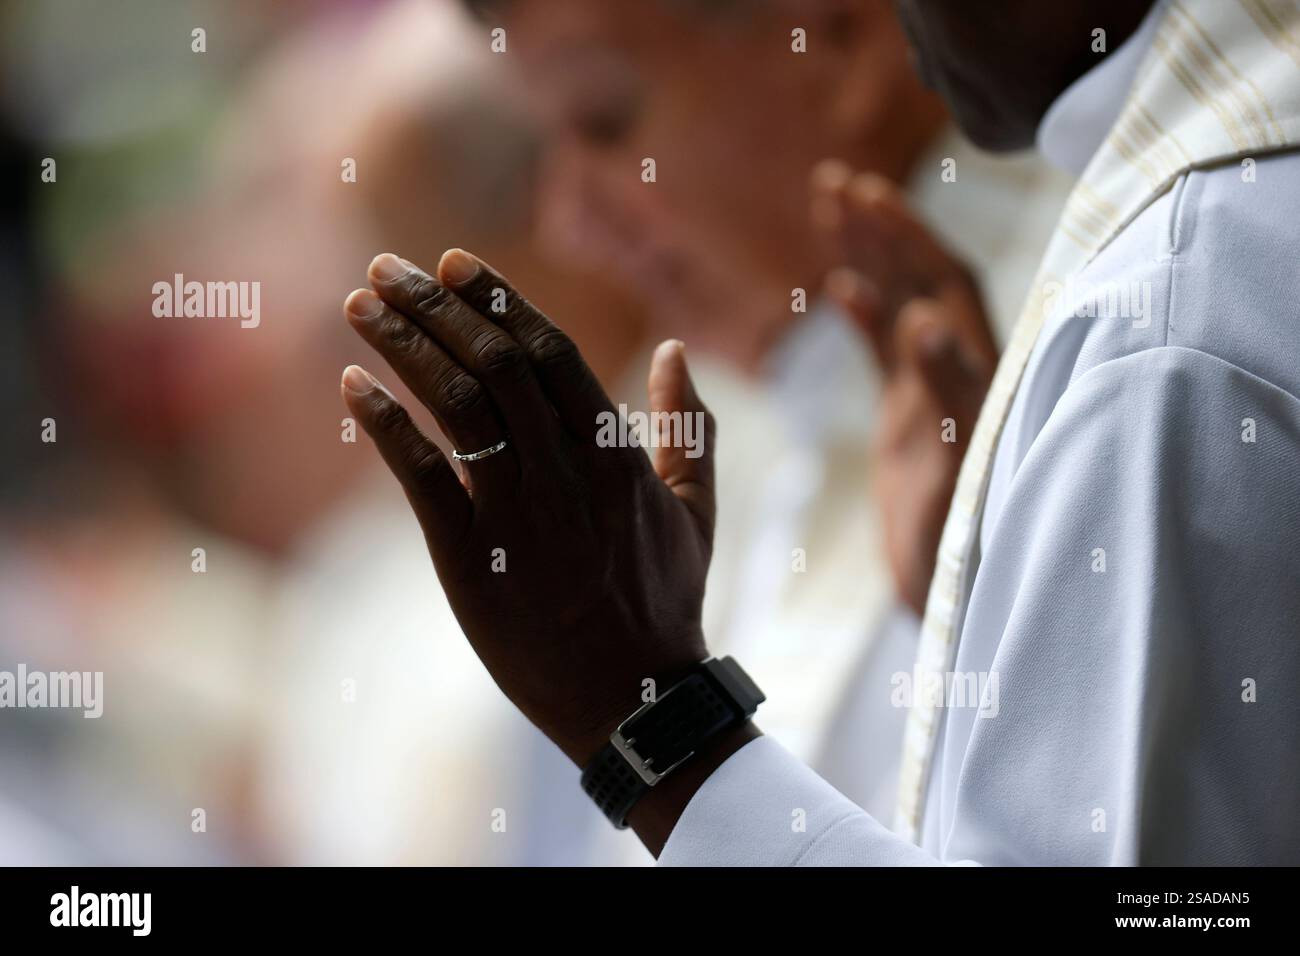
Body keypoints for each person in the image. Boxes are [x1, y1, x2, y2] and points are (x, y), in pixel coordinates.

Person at [339, 0, 1300, 865]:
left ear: (833, 33)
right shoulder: (813, 404)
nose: (571, 225)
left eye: (605, 119)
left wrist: (653, 721)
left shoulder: (1148, 330)